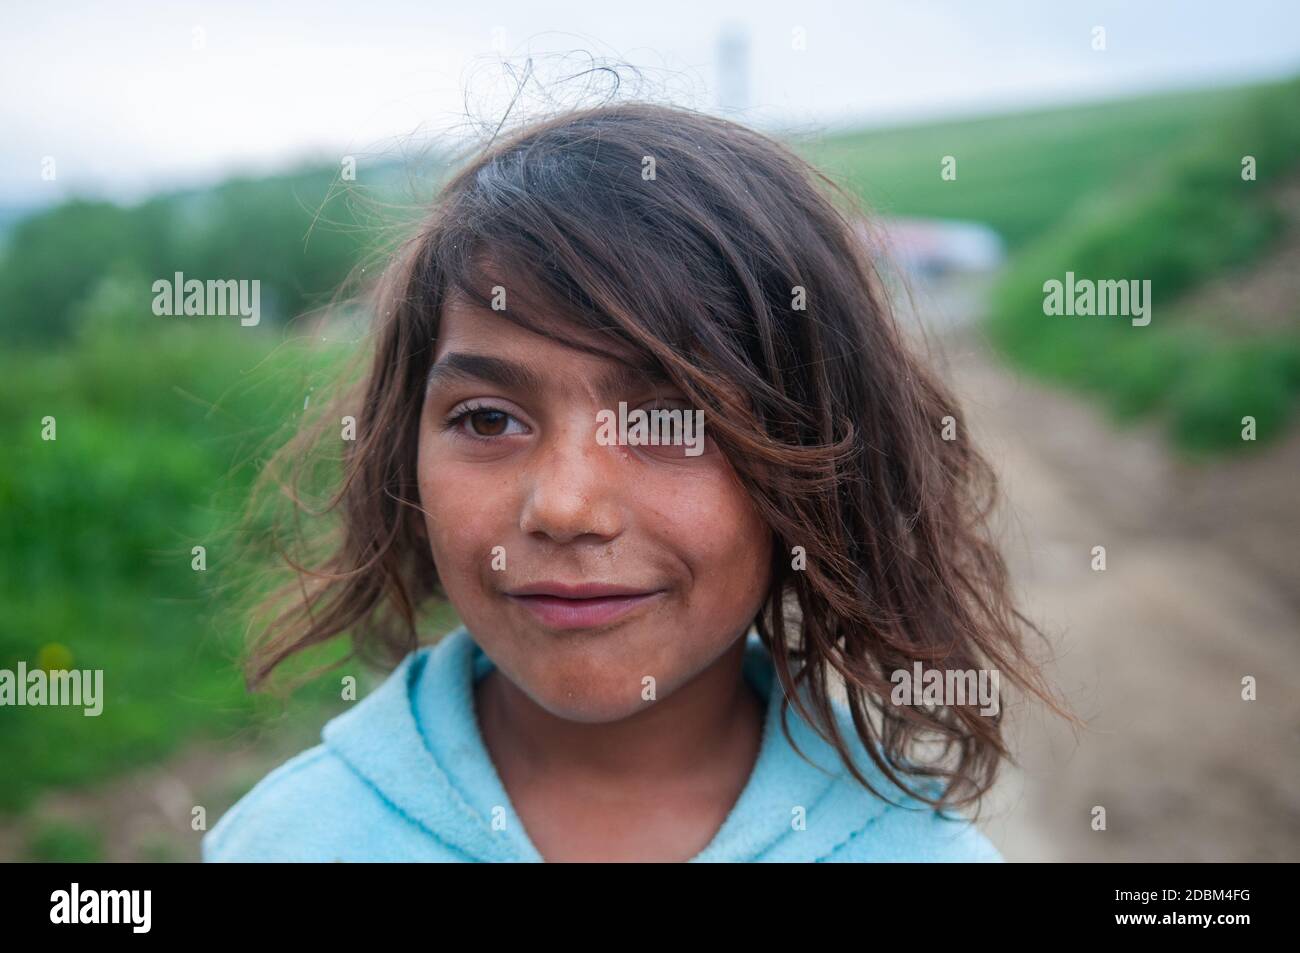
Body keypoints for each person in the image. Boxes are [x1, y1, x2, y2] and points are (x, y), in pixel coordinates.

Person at [203, 101, 1067, 862]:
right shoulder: (285, 842)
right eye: (489, 419)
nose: (565, 506)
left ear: (823, 459)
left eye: (671, 420)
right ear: (405, 459)